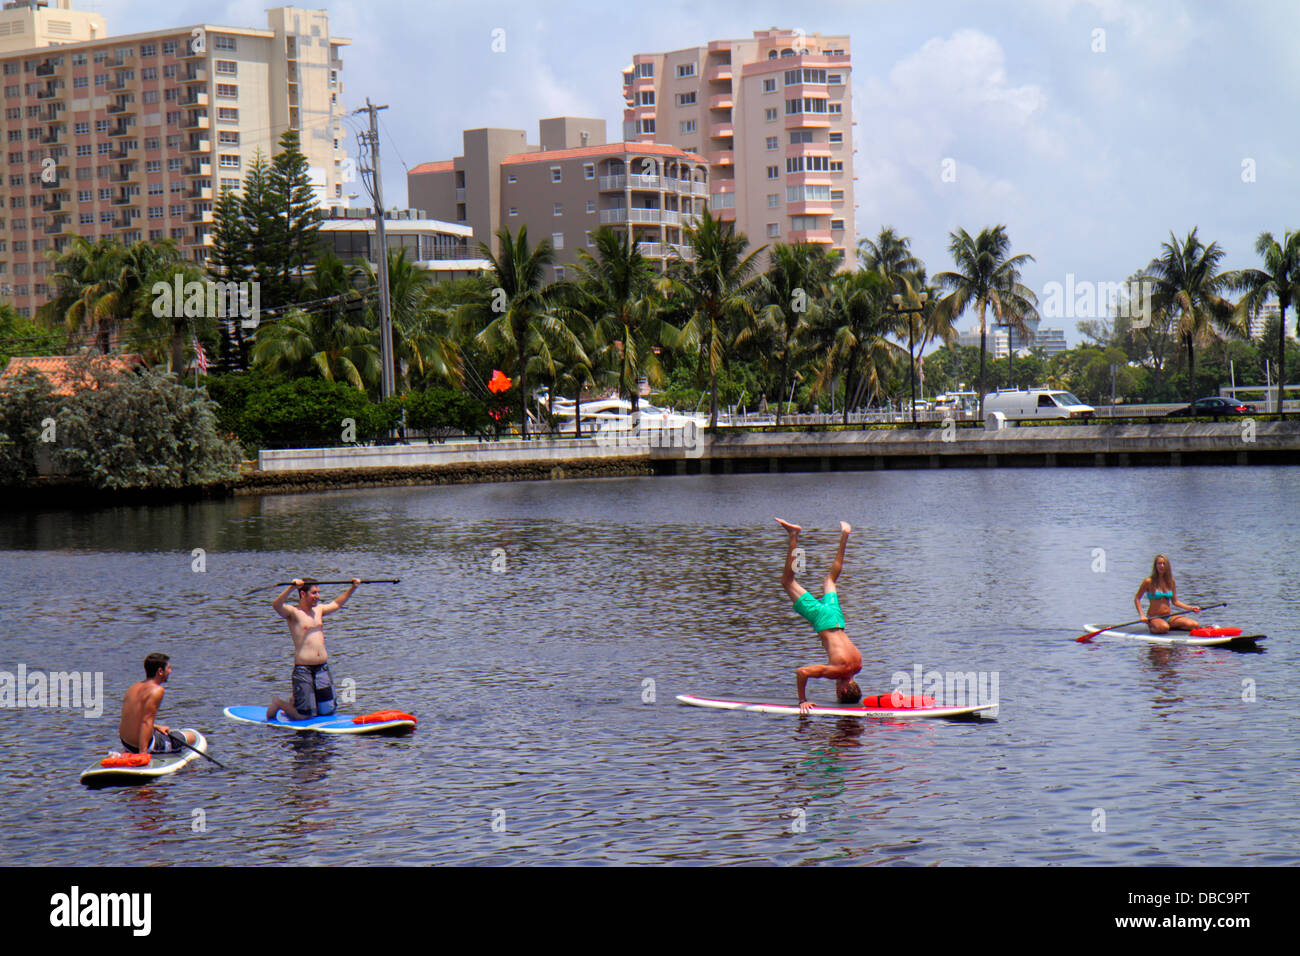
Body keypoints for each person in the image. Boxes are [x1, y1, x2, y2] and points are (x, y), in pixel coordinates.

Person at [776, 519, 863, 714]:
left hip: (837, 618)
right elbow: (802, 672)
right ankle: (794, 535)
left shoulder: (858, 665)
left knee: (830, 578)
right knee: (787, 581)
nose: (836, 691)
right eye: (838, 693)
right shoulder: (837, 672)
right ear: (845, 690)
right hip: (822, 619)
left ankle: (845, 534)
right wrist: (802, 701)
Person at [267, 577, 359, 720]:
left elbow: (337, 603)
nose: (318, 596)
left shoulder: (319, 610)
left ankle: (295, 700)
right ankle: (278, 703)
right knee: (305, 717)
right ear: (303, 594)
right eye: (314, 593)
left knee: (327, 712)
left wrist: (353, 588)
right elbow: (276, 605)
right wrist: (291, 587)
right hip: (304, 669)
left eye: (318, 593)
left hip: (322, 668)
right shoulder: (293, 613)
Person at [117, 652, 196, 754]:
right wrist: (142, 754)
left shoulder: (133, 687)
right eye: (169, 668)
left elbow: (132, 717)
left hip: (126, 743)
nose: (170, 671)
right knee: (191, 737)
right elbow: (146, 721)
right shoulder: (157, 690)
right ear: (160, 671)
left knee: (159, 731)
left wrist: (157, 727)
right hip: (142, 746)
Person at [1135, 554, 1201, 633]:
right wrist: (1142, 615)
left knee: (1194, 624)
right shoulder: (1149, 581)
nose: (1161, 566)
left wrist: (1191, 608)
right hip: (1154, 617)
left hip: (1169, 617)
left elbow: (1175, 601)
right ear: (1155, 566)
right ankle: (1153, 626)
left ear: (1167, 566)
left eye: (1164, 563)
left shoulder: (1170, 581)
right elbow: (1137, 598)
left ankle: (1167, 626)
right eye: (1159, 563)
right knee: (1163, 627)